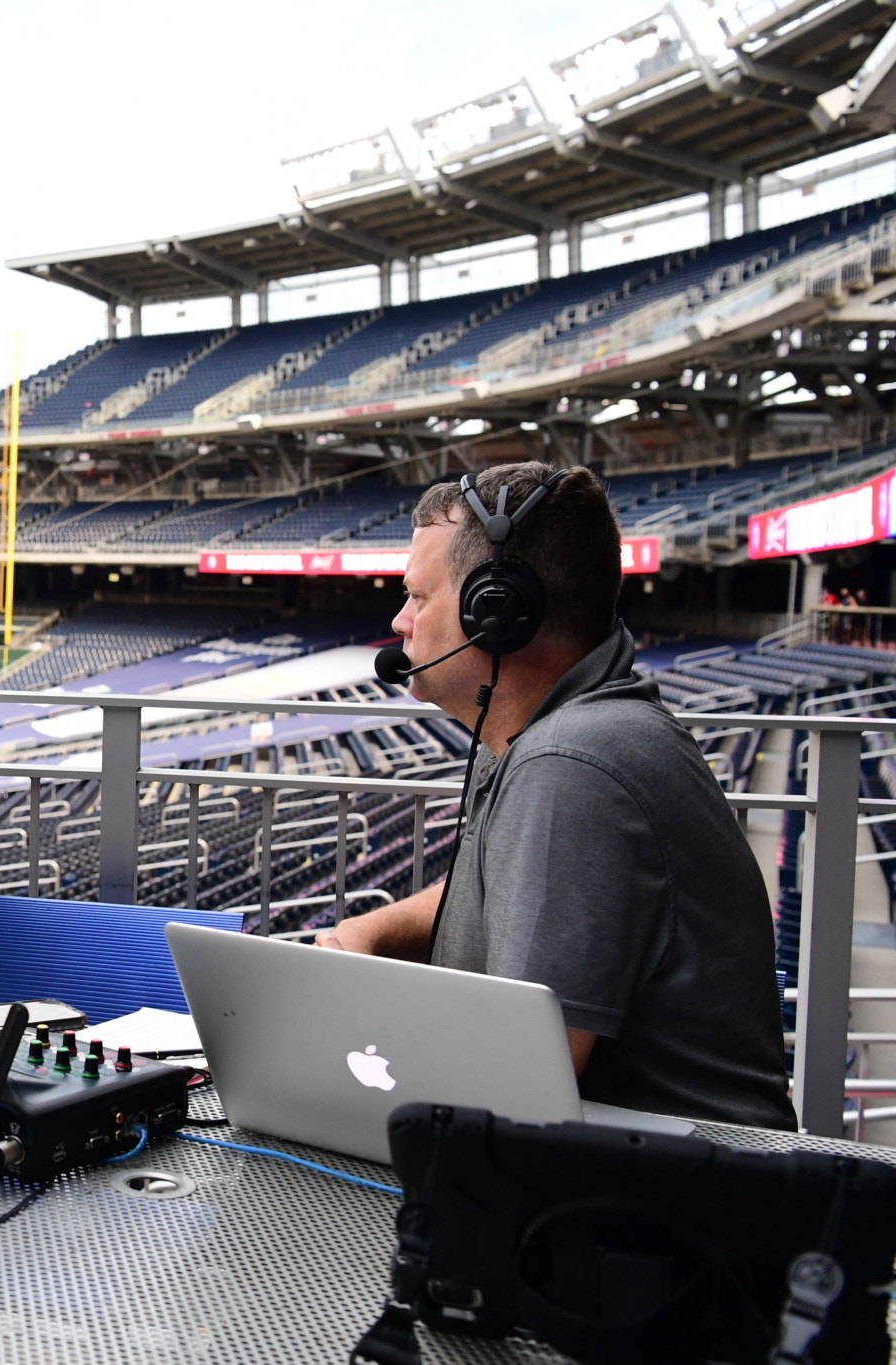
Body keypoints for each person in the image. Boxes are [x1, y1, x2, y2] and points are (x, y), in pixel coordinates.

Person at [318, 462, 795, 1130]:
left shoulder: (572, 768)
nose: (399, 621)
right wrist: (371, 932)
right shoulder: (557, 734)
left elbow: (521, 1083)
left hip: (671, 1206)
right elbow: (509, 886)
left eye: (418, 597)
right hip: (642, 1177)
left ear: (498, 613)